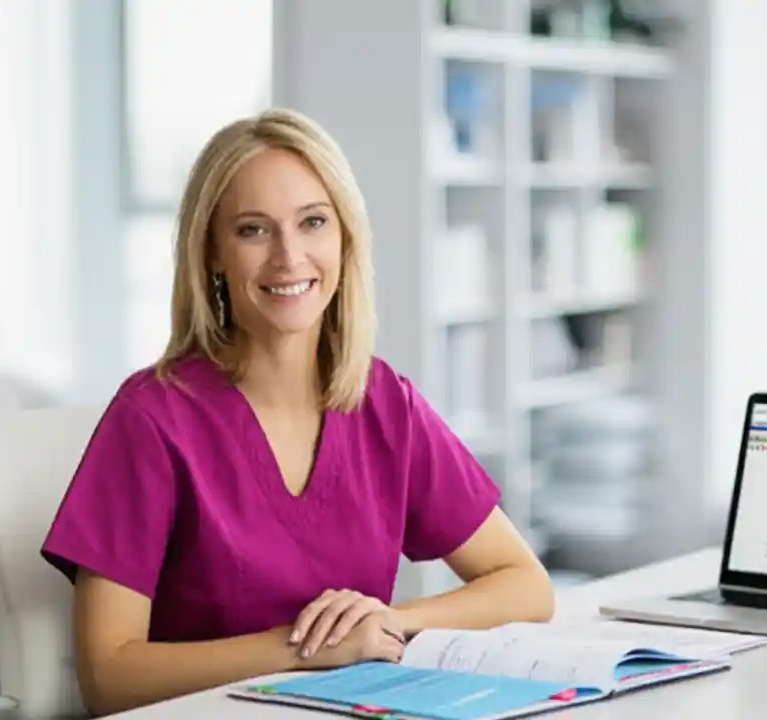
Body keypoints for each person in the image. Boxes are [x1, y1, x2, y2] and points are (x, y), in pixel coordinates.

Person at [40, 108, 555, 716]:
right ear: (211, 252)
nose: (289, 257)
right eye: (253, 230)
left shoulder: (385, 404)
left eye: (313, 222)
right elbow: (109, 674)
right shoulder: (151, 419)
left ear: (344, 237)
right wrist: (304, 648)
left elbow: (525, 585)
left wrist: (391, 622)